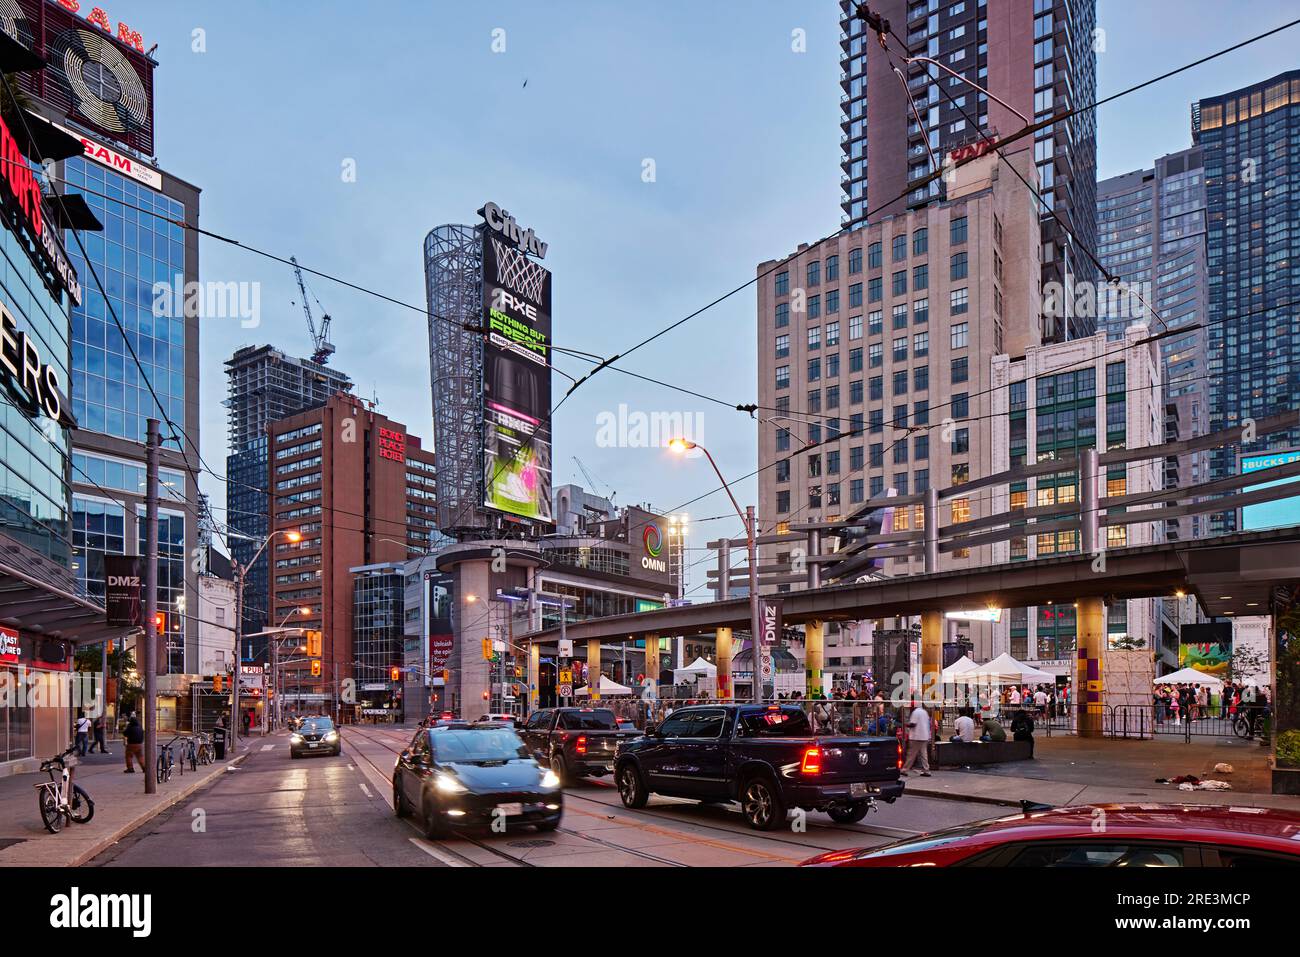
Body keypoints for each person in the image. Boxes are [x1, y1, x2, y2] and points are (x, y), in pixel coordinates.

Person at [900, 703, 932, 777]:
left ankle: (904, 769)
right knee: (924, 754)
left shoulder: (915, 712)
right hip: (924, 736)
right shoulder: (924, 712)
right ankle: (927, 770)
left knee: (911, 754)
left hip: (916, 737)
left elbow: (913, 724)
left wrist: (905, 724)